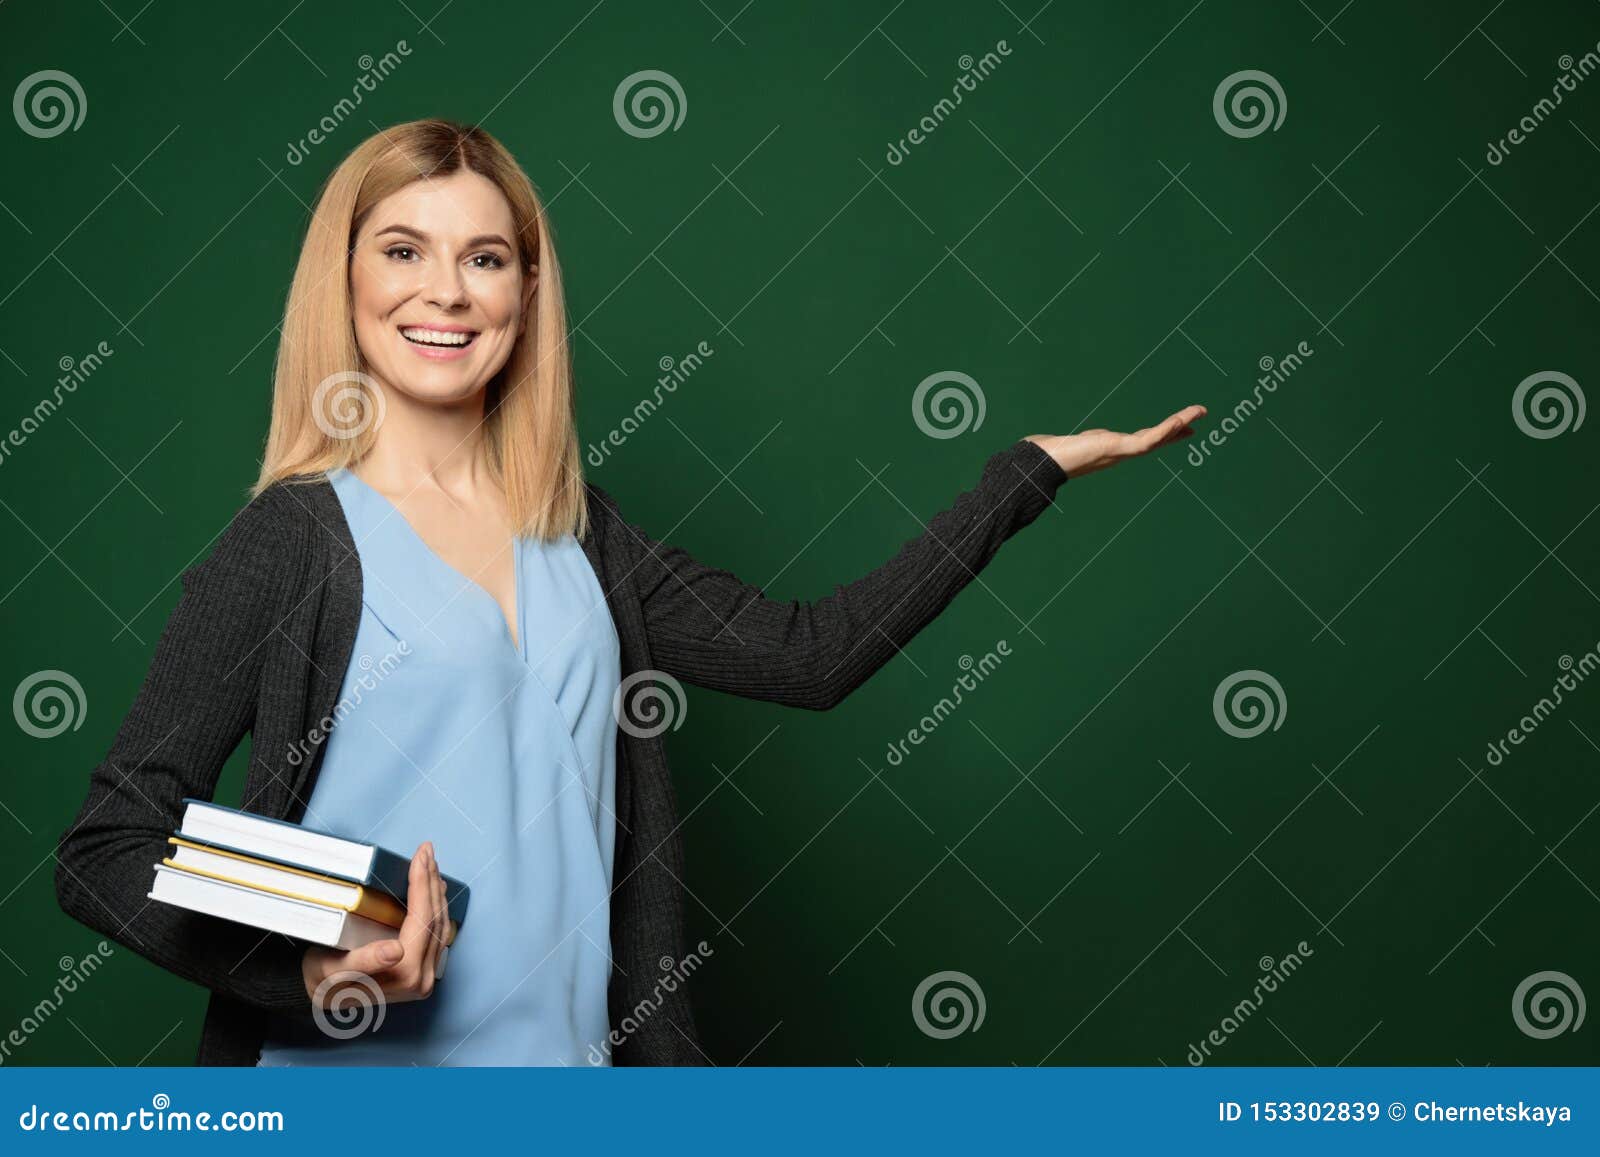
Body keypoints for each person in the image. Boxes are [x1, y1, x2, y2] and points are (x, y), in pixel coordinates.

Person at [53, 118, 1207, 1066]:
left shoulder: (580, 531)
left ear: (526, 290)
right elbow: (108, 844)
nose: (445, 292)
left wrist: (1028, 472)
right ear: (345, 279)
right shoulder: (293, 538)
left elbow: (813, 656)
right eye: (402, 249)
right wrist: (306, 970)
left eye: (485, 257)